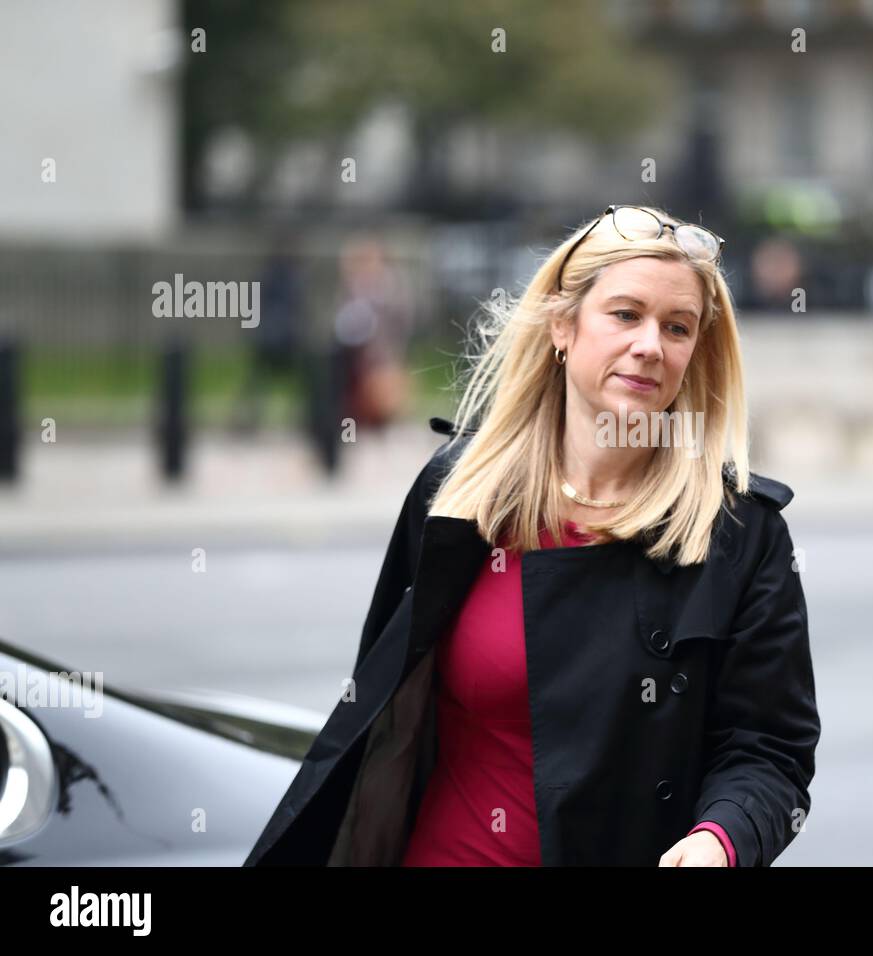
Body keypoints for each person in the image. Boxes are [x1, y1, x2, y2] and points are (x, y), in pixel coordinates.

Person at [244, 204, 820, 867]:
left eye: (677, 327)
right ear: (562, 324)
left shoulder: (741, 535)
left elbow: (769, 750)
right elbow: (382, 716)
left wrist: (720, 840)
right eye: (625, 314)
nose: (650, 345)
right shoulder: (461, 492)